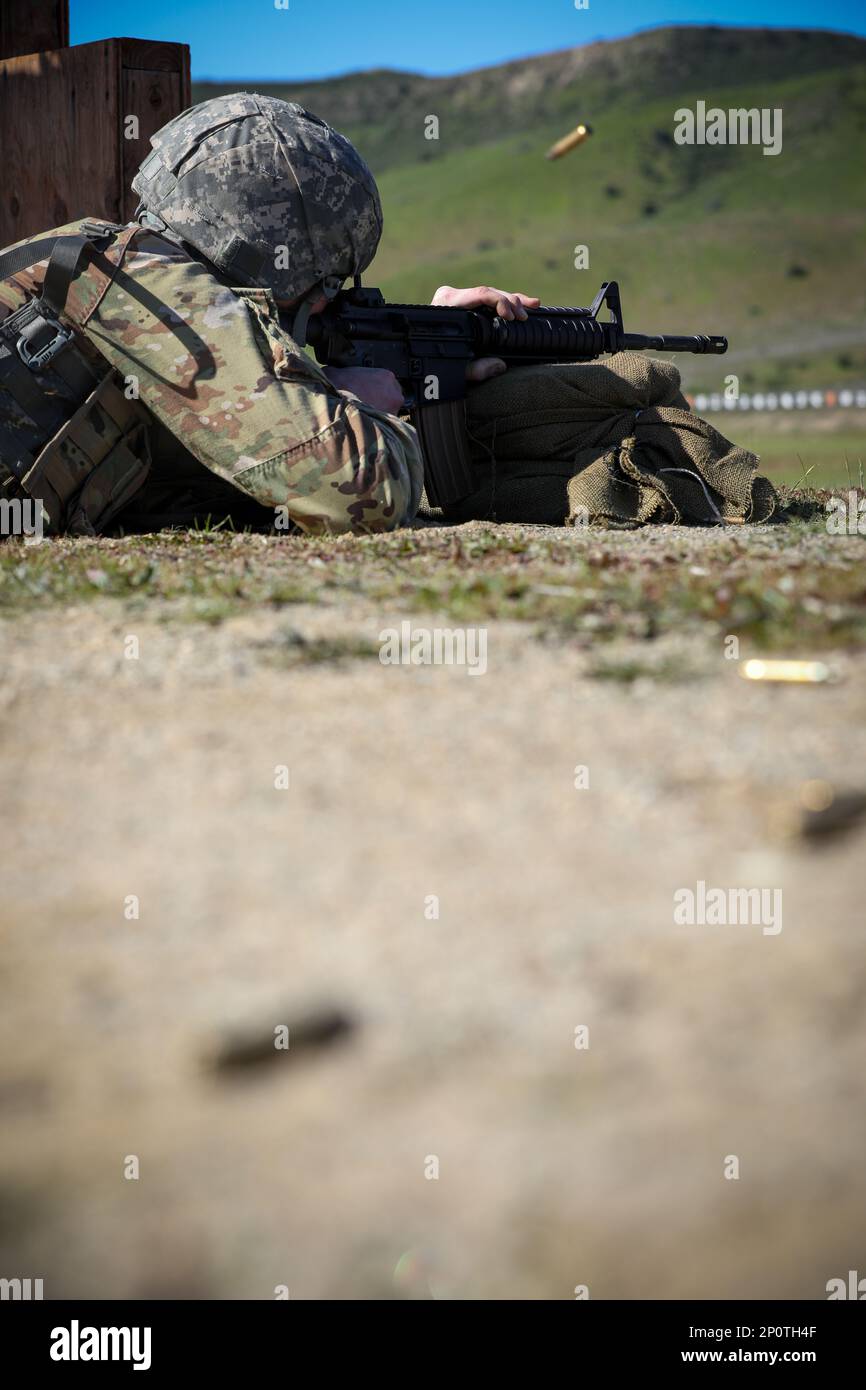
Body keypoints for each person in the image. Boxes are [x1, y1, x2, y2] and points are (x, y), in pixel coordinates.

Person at [0, 92, 537, 537]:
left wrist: (431, 345)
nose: (324, 304)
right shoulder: (166, 292)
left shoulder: (107, 264)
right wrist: (360, 407)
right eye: (322, 286)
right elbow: (366, 493)